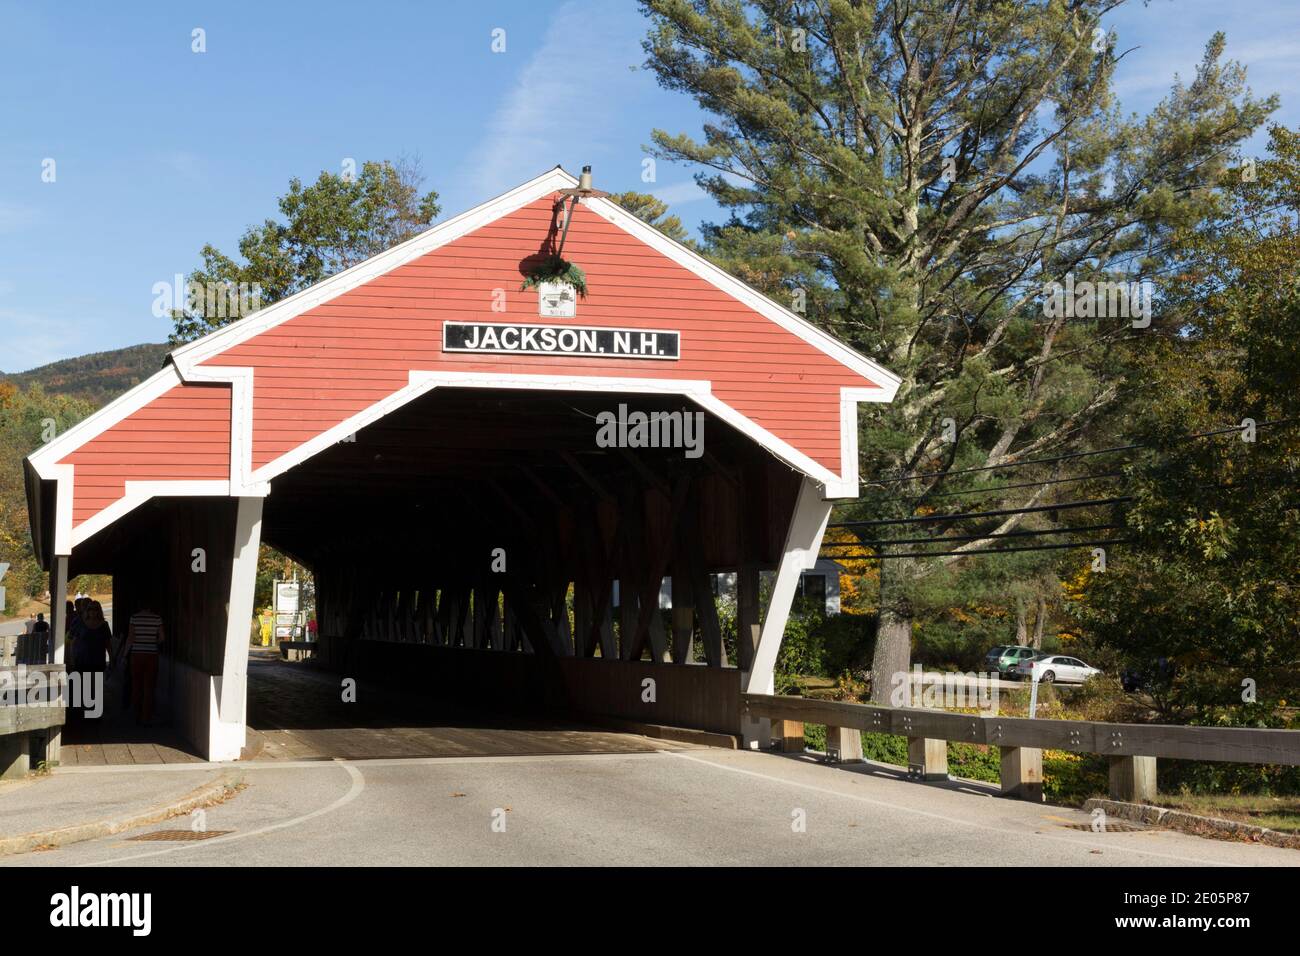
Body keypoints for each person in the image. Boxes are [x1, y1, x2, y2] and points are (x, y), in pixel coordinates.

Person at [121, 605, 166, 725]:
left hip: (136, 654)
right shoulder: (157, 618)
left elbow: (130, 638)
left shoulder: (134, 618)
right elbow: (162, 637)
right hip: (152, 655)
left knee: (136, 685)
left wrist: (125, 654)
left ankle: (136, 715)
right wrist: (154, 642)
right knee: (149, 687)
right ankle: (146, 717)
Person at [70, 602, 112, 720]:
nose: (92, 612)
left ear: (99, 611)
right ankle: (83, 715)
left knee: (97, 688)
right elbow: (73, 643)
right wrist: (72, 658)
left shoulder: (104, 625)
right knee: (84, 689)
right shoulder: (81, 624)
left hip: (98, 661)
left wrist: (112, 659)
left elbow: (108, 644)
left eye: (95, 609)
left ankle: (96, 715)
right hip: (82, 660)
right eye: (90, 609)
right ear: (87, 611)